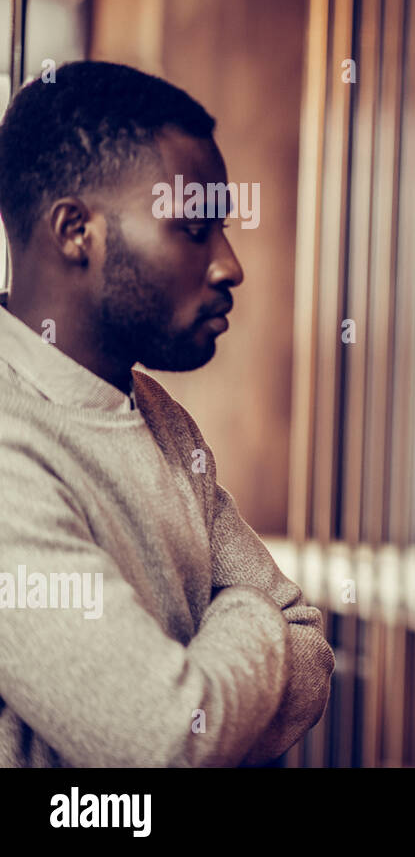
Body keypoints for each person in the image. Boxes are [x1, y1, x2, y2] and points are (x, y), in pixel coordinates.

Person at [0, 61, 334, 766]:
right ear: (75, 231)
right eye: (194, 228)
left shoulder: (158, 415)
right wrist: (250, 612)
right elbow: (163, 740)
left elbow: (314, 649)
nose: (231, 265)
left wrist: (207, 698)